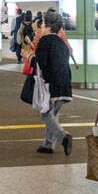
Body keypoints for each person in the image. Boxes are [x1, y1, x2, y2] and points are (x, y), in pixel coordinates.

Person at [33, 12, 73, 156]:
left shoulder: (45, 41)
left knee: (45, 115)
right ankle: (48, 144)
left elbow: (42, 63)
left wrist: (33, 56)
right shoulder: (61, 42)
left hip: (51, 84)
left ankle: (64, 137)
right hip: (64, 83)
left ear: (47, 25)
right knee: (53, 114)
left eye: (43, 23)